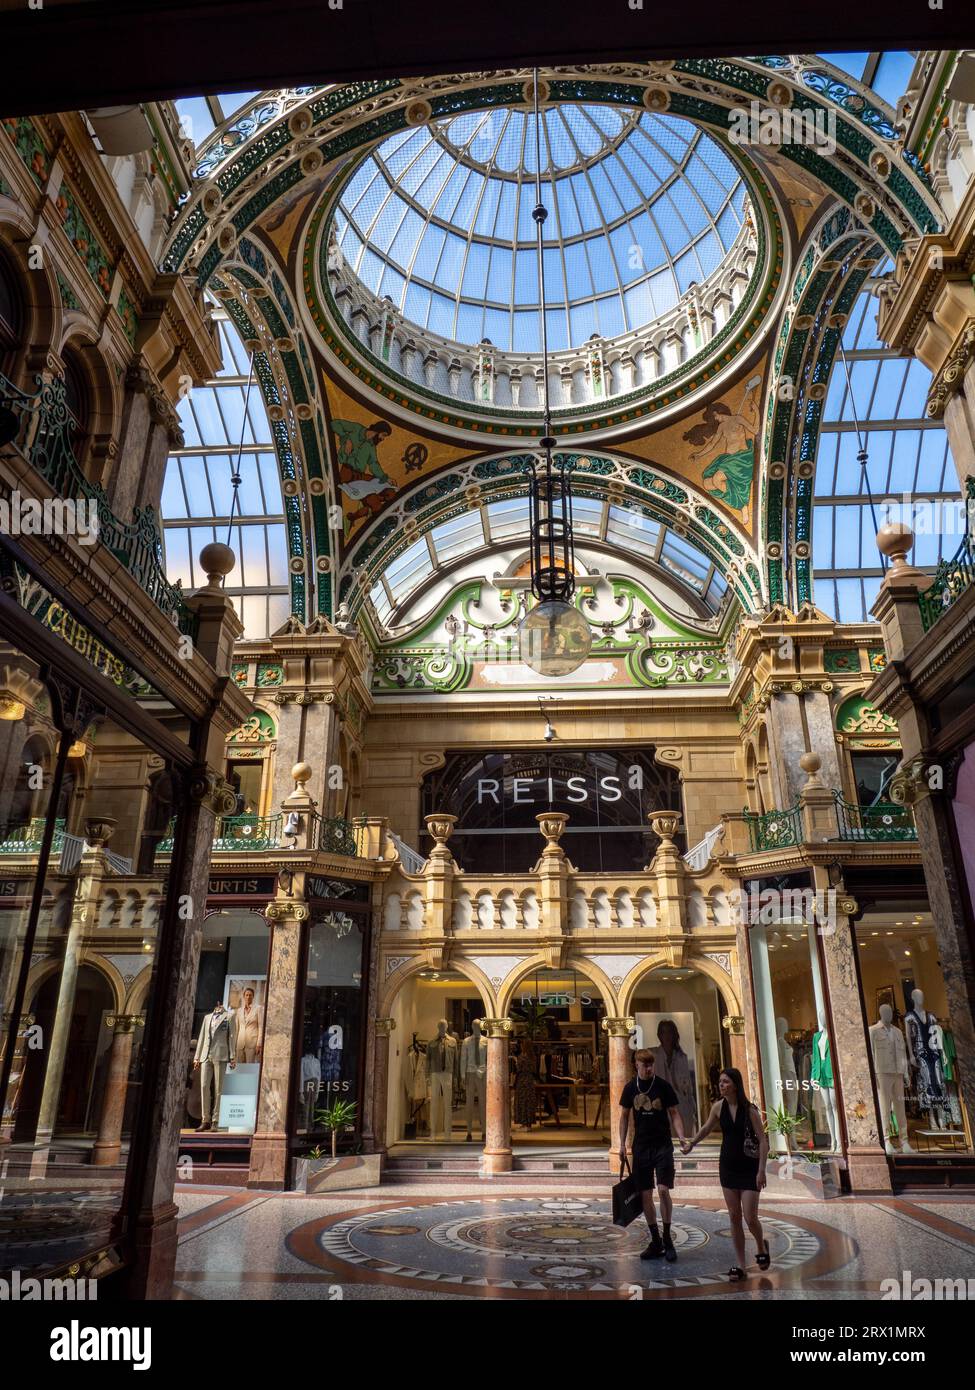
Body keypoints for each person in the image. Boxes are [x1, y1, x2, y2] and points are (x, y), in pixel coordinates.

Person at [681, 1066, 769, 1281]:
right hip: (727, 1167)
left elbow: (763, 1140)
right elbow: (706, 1129)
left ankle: (761, 1245)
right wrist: (692, 1143)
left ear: (735, 1085)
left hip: (748, 1168)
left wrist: (761, 1171)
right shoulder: (718, 1108)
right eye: (720, 1082)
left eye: (726, 1082)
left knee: (750, 1217)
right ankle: (740, 1265)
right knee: (733, 1216)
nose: (721, 1085)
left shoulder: (750, 1110)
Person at [618, 1048, 685, 1262]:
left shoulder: (663, 1086)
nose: (648, 1069)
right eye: (644, 1065)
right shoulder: (630, 1088)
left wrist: (682, 1137)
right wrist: (621, 1144)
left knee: (664, 1190)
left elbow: (674, 1113)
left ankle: (667, 1238)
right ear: (636, 1065)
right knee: (645, 1194)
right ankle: (655, 1239)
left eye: (650, 1065)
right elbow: (624, 1117)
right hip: (641, 1147)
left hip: (663, 1146)